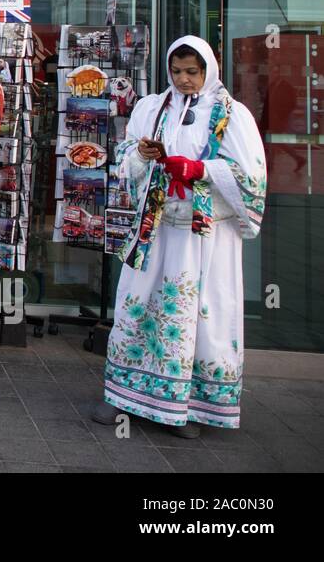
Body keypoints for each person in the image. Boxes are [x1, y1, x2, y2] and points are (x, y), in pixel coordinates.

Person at [92, 36, 266, 438]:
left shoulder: (233, 116)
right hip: (157, 228)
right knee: (139, 306)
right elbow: (124, 160)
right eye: (177, 71)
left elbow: (252, 179)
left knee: (197, 313)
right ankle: (125, 396)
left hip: (205, 238)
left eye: (192, 72)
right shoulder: (152, 108)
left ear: (208, 70)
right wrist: (142, 155)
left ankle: (188, 406)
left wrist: (201, 170)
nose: (184, 79)